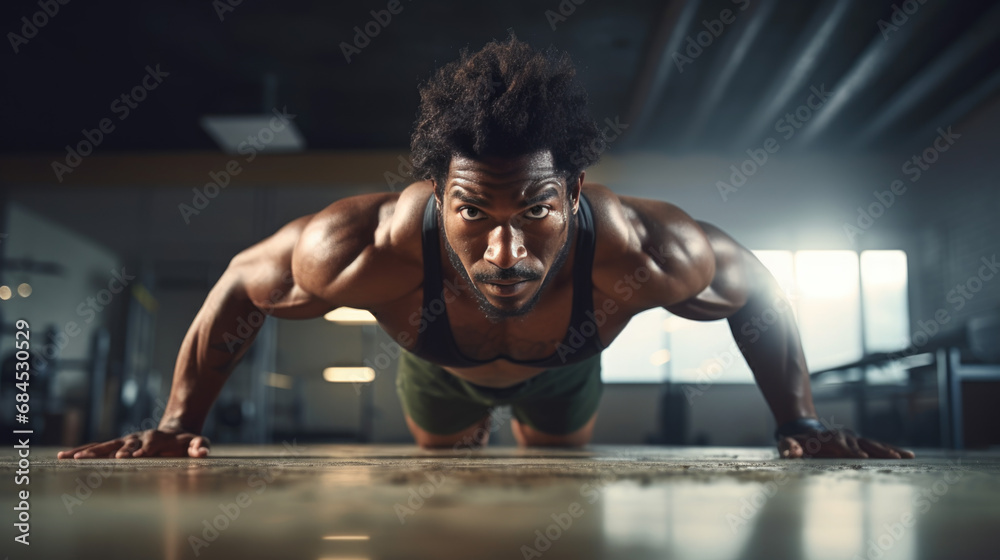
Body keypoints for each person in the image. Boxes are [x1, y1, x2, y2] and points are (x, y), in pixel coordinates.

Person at [58, 36, 913, 461]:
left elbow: (755, 289)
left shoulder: (641, 250)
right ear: (438, 194)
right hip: (437, 371)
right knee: (451, 500)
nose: (504, 250)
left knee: (553, 496)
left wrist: (797, 419)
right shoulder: (364, 247)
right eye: (473, 212)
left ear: (573, 193)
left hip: (566, 372)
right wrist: (177, 426)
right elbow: (243, 286)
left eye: (535, 209)